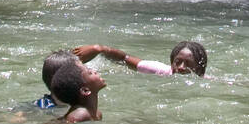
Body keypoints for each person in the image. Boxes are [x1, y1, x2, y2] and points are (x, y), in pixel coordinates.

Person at [73, 39, 208, 76]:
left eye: (188, 64)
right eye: (178, 62)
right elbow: (125, 58)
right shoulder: (160, 70)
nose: (181, 67)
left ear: (199, 67)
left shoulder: (205, 82)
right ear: (171, 62)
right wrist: (99, 49)